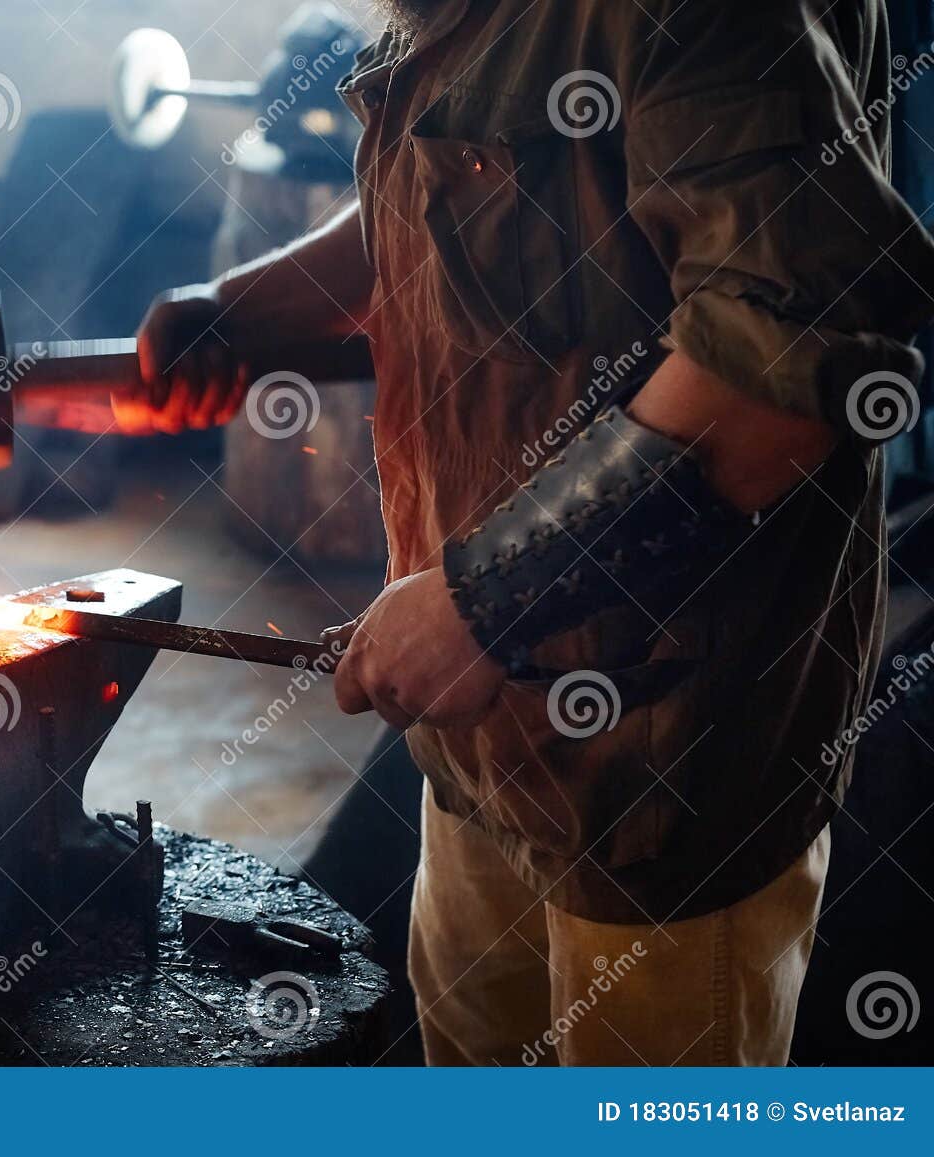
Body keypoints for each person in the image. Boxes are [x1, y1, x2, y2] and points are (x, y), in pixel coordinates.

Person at [135, 0, 934, 1065]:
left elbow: (783, 368)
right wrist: (247, 305)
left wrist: (486, 600)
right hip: (482, 736)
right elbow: (449, 190)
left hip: (662, 764)